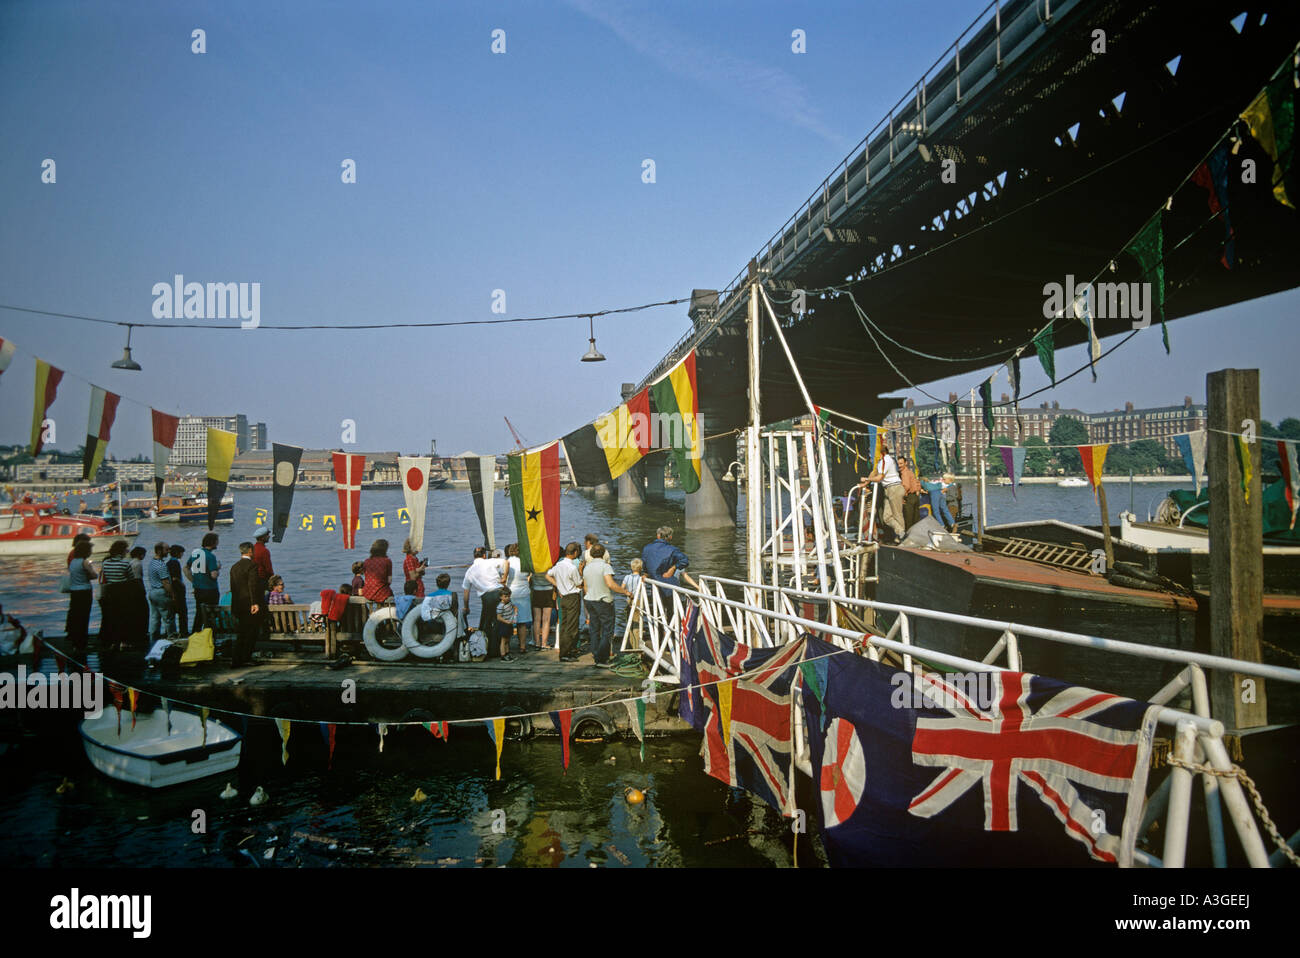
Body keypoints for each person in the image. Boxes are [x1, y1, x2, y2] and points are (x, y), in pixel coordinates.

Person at [582, 544, 632, 667]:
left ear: (592, 554)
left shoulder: (586, 568)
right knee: (607, 630)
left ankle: (595, 652)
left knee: (594, 628)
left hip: (590, 600)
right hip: (603, 601)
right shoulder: (605, 566)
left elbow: (585, 586)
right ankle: (601, 659)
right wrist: (625, 591)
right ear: (604, 554)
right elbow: (610, 584)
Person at [461, 546, 506, 657]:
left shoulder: (469, 571)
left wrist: (466, 607)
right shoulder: (491, 562)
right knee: (498, 621)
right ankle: (500, 648)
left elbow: (466, 593)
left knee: (486, 623)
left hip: (487, 597)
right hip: (499, 593)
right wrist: (504, 577)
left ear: (474, 556)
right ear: (484, 555)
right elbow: (505, 562)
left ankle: (488, 649)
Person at [228, 542, 265, 667]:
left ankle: (236, 659)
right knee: (250, 632)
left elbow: (233, 587)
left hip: (238, 604)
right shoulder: (252, 566)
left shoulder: (234, 567)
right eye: (253, 550)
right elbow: (252, 585)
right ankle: (246, 658)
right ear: (250, 551)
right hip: (249, 604)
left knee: (241, 633)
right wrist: (254, 603)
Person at [546, 542, 584, 662]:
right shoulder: (572, 568)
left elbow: (547, 575)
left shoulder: (558, 565)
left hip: (562, 597)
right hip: (572, 596)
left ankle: (565, 651)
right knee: (572, 626)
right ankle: (566, 653)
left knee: (564, 625)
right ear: (575, 553)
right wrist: (582, 572)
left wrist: (558, 585)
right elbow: (579, 583)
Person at [861, 442, 905, 541]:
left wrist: (867, 480)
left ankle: (902, 537)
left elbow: (879, 477)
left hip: (894, 488)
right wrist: (865, 483)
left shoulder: (886, 461)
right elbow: (874, 473)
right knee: (887, 517)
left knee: (897, 514)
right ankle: (901, 532)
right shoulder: (881, 462)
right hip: (888, 490)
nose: (870, 454)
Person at [97, 539, 134, 655]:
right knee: (124, 617)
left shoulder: (105, 563)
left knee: (112, 617)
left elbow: (105, 578)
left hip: (110, 591)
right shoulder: (125, 563)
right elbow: (131, 578)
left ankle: (113, 642)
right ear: (122, 551)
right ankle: (124, 641)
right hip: (123, 590)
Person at [65, 538, 97, 653]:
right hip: (84, 591)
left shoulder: (73, 562)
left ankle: (75, 641)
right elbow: (94, 575)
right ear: (86, 551)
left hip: (74, 591)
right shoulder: (85, 562)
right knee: (84, 617)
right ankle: (82, 643)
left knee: (76, 616)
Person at [641, 526, 696, 592]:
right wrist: (673, 568)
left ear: (658, 536)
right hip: (670, 587)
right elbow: (685, 561)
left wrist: (645, 575)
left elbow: (645, 566)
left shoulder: (646, 548)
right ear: (670, 537)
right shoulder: (673, 550)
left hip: (655, 587)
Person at [188, 533, 221, 632]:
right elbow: (213, 575)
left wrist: (194, 580)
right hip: (210, 590)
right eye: (217, 541)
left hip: (198, 589)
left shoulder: (196, 553)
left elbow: (186, 568)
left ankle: (195, 634)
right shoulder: (211, 556)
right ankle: (209, 636)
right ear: (213, 542)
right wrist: (218, 568)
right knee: (211, 615)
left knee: (199, 614)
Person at [503, 543, 532, 651]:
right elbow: (529, 574)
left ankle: (507, 646)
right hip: (523, 592)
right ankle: (522, 646)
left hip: (510, 593)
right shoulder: (525, 562)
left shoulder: (507, 562)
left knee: (509, 621)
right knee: (522, 623)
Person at [145, 542, 173, 644]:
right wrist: (172, 595)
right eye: (166, 550)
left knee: (154, 618)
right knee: (168, 618)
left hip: (152, 592)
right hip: (161, 593)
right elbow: (165, 582)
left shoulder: (152, 562)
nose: (168, 551)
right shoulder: (161, 565)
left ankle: (153, 640)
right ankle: (172, 638)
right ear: (160, 551)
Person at [620, 557, 646, 648]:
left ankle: (630, 645)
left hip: (629, 600)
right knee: (637, 624)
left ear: (631, 567)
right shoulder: (640, 579)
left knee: (629, 623)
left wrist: (628, 593)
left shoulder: (627, 577)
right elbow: (643, 591)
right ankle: (636, 647)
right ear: (641, 568)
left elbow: (622, 588)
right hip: (638, 601)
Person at [127, 545, 150, 647]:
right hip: (137, 589)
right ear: (140, 555)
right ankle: (142, 633)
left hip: (130, 590)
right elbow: (137, 579)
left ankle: (135, 633)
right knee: (143, 611)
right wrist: (143, 590)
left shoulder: (130, 562)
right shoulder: (138, 564)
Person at [530, 566, 555, 650]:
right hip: (548, 590)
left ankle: (537, 643)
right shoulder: (549, 565)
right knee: (546, 619)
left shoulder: (533, 564)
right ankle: (544, 644)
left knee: (536, 619)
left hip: (536, 590)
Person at [166, 544, 187, 636]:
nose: (182, 555)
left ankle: (172, 633)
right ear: (178, 553)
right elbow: (175, 578)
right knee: (182, 613)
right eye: (181, 553)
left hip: (171, 591)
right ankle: (183, 632)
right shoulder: (175, 563)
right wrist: (182, 584)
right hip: (178, 591)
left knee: (172, 614)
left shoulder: (168, 563)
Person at [899, 455, 923, 531]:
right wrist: (918, 491)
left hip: (909, 498)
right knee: (915, 519)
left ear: (906, 463)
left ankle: (908, 538)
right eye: (898, 464)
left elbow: (906, 486)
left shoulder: (904, 473)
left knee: (908, 520)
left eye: (901, 463)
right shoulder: (910, 472)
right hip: (915, 497)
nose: (899, 466)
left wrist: (902, 497)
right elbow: (917, 483)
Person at [495, 590, 518, 662]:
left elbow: (514, 607)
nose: (507, 598)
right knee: (503, 640)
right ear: (501, 597)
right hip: (503, 624)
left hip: (509, 623)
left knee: (508, 639)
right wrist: (506, 621)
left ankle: (507, 653)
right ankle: (503, 655)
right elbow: (498, 617)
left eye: (508, 596)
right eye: (505, 596)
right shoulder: (500, 606)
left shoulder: (509, 602)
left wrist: (515, 613)